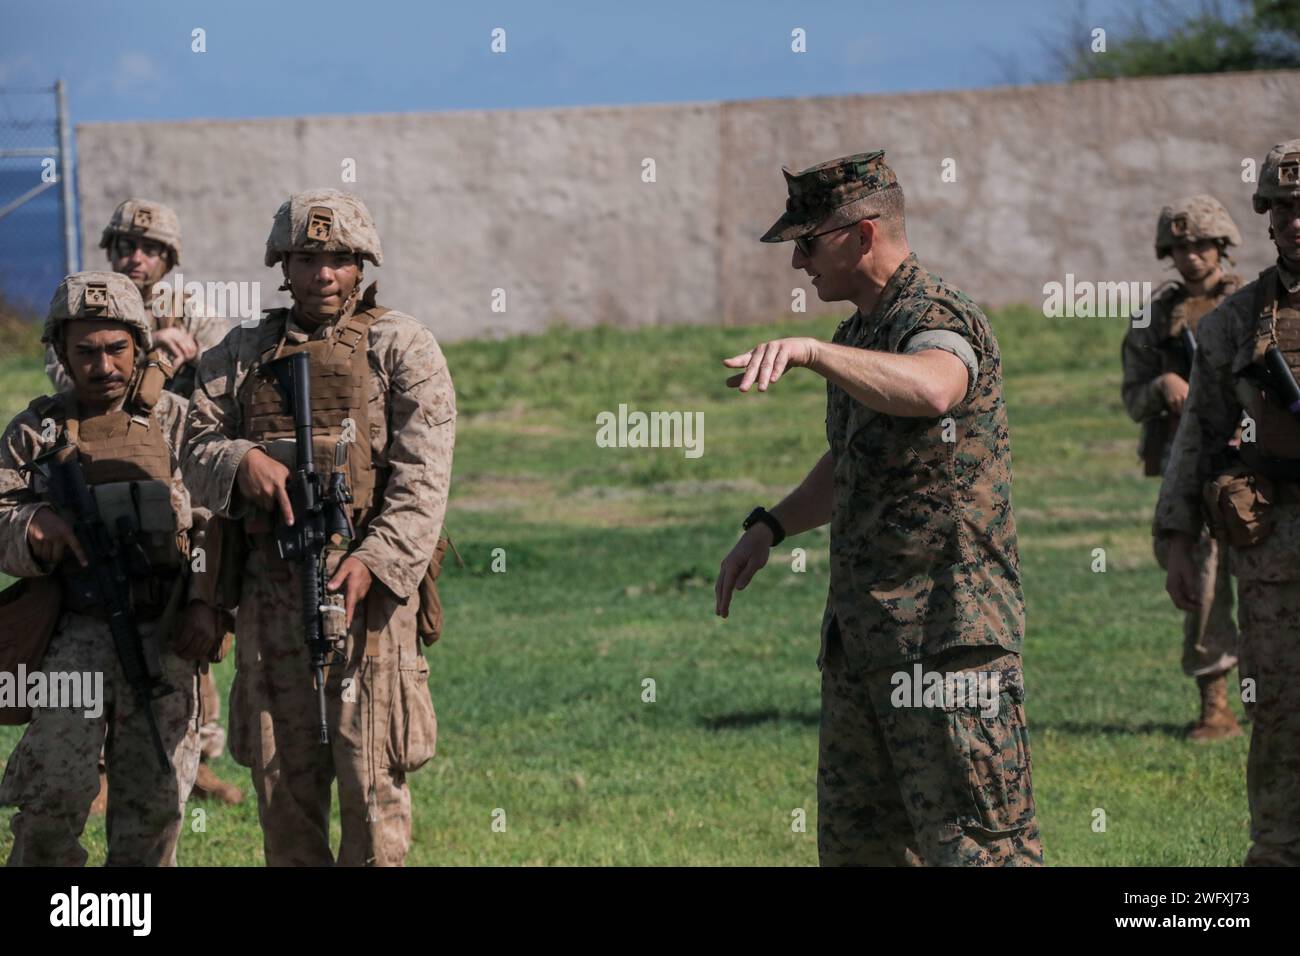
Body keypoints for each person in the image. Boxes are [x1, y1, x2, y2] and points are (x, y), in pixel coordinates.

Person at [714, 151, 1040, 866]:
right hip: (865, 644)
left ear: (862, 235)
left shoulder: (935, 315)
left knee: (979, 851)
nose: (798, 262)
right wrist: (769, 527)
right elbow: (850, 462)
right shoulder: (859, 333)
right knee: (863, 850)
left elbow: (933, 389)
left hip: (946, 643)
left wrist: (808, 353)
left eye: (808, 241)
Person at [182, 189, 456, 865]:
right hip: (270, 597)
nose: (323, 273)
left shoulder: (403, 346)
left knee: (372, 791)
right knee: (282, 790)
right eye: (307, 258)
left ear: (361, 263)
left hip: (369, 603)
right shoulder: (241, 354)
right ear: (284, 264)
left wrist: (376, 560)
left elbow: (423, 476)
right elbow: (191, 438)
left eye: (338, 258)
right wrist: (240, 460)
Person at [0, 271, 205, 865]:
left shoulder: (179, 422)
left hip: (164, 630)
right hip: (76, 631)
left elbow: (217, 523)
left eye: (116, 348)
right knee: (52, 792)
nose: (103, 365)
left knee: (155, 798)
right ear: (61, 353)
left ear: (139, 346)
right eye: (84, 351)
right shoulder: (34, 429)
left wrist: (204, 604)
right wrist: (34, 524)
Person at [44, 198, 242, 808]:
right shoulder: (82, 305)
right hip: (101, 467)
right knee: (101, 614)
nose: (136, 256)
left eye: (150, 248)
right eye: (126, 245)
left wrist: (189, 350)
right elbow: (61, 378)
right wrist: (151, 347)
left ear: (169, 259)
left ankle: (197, 758)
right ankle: (98, 766)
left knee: (186, 612)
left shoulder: (198, 316)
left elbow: (223, 387)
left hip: (176, 467)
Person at [1157, 138, 1300, 866]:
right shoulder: (1235, 321)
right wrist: (1179, 537)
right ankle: (1275, 850)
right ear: (1265, 216)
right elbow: (1199, 438)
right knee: (1275, 711)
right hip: (1272, 549)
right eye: (1283, 207)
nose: (1297, 220)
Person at [1122, 195, 1244, 740]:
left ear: (1221, 244)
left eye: (1200, 244)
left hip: (1255, 461)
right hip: (1187, 467)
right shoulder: (1154, 317)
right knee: (1202, 579)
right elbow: (1131, 399)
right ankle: (1215, 702)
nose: (1191, 255)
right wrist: (1160, 386)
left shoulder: (1253, 303)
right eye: (1180, 247)